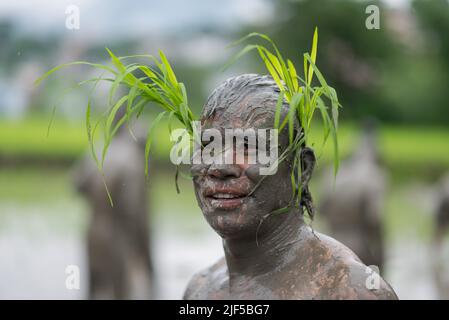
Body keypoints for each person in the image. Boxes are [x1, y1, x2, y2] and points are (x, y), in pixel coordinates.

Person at [183, 74, 397, 299]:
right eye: (208, 145)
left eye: (249, 145)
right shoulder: (201, 290)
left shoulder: (348, 291)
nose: (220, 166)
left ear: (301, 168)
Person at [74, 119, 154, 299]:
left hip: (93, 231)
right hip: (119, 237)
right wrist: (142, 250)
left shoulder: (95, 152)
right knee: (122, 292)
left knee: (92, 291)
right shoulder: (133, 160)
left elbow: (76, 185)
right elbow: (131, 209)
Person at [319, 120, 386, 271]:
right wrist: (381, 259)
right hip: (360, 250)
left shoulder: (333, 173)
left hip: (331, 245)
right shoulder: (374, 176)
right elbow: (375, 220)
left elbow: (321, 209)